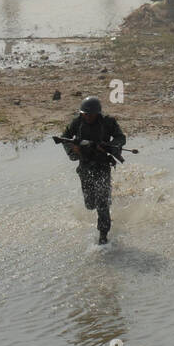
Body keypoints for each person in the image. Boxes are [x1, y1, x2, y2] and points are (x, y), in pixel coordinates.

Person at [61, 97, 127, 244]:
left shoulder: (108, 122)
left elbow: (120, 138)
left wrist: (109, 146)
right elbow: (65, 138)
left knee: (102, 202)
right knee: (90, 204)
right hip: (85, 166)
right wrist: (73, 150)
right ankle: (104, 209)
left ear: (97, 113)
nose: (88, 117)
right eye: (85, 114)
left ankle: (103, 236)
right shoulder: (77, 122)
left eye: (91, 114)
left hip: (102, 165)